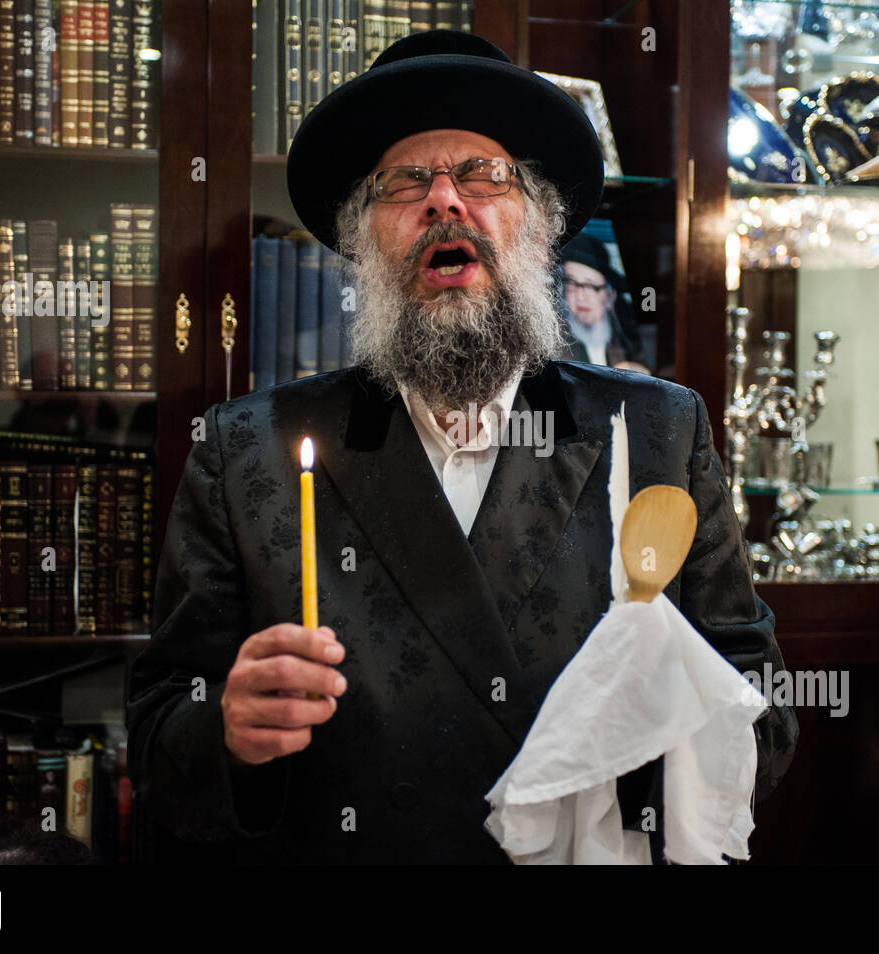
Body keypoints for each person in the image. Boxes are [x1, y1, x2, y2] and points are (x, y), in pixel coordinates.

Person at [126, 29, 797, 864]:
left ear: (540, 223)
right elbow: (158, 740)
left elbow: (762, 715)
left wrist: (636, 743)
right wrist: (230, 731)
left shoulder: (656, 433)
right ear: (360, 238)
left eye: (483, 176)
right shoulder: (246, 453)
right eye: (404, 182)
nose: (446, 201)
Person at [557, 232, 651, 373]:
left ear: (610, 296)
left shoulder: (627, 342)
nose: (581, 297)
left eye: (591, 286)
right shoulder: (554, 345)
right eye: (572, 283)